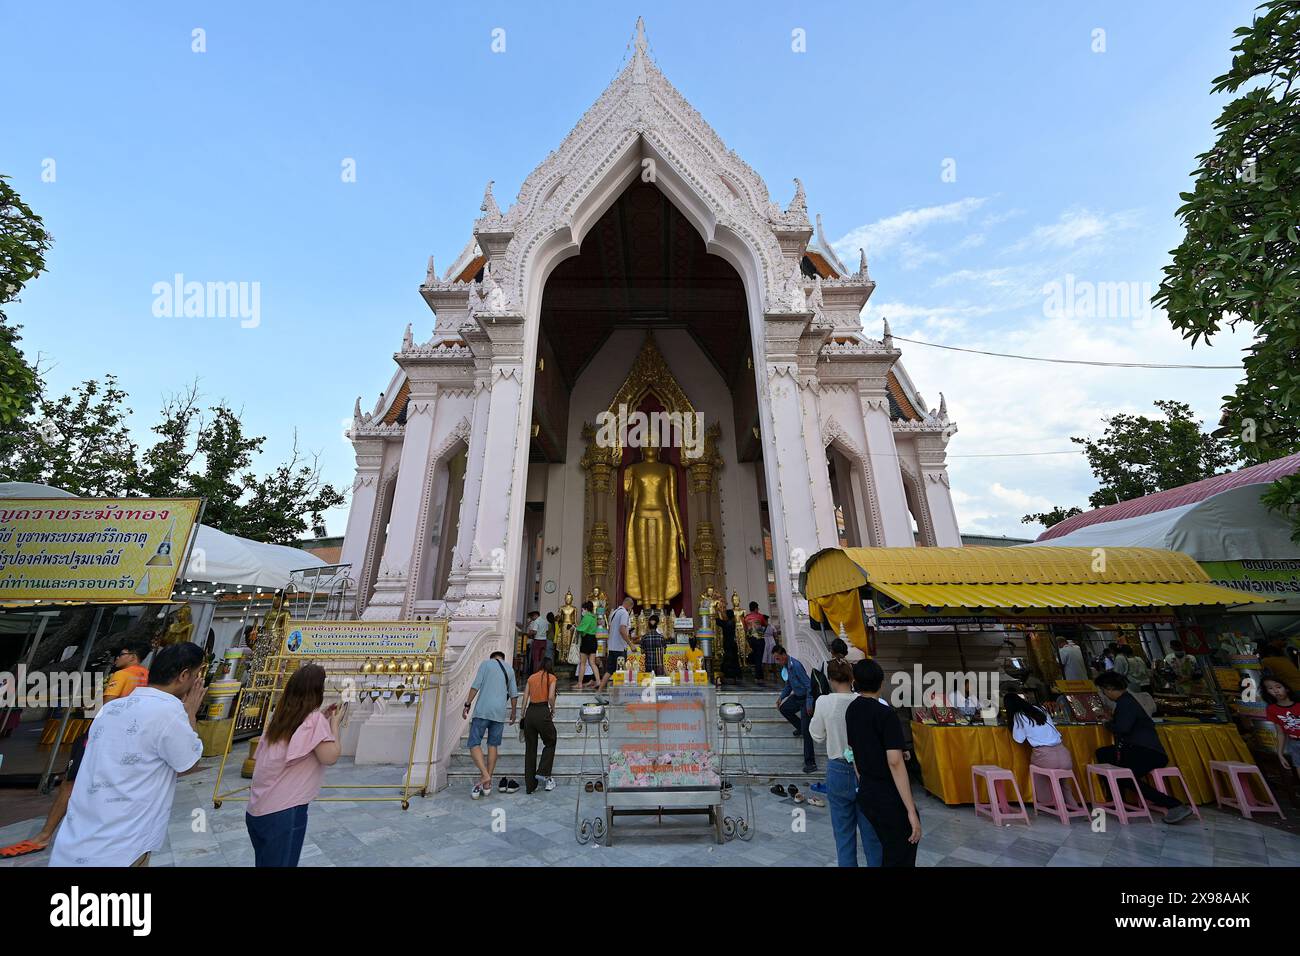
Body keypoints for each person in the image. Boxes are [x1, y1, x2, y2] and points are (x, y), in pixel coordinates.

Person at [49, 643, 206, 867]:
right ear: (183, 675)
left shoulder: (110, 709)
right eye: (198, 674)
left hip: (76, 841)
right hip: (123, 846)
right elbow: (189, 763)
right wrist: (190, 711)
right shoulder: (169, 713)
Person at [1, 641, 151, 860]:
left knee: (69, 786)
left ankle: (44, 835)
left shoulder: (122, 675)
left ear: (133, 656)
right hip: (128, 739)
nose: (117, 658)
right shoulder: (148, 677)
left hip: (101, 736)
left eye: (120, 654)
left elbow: (108, 706)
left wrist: (90, 706)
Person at [246, 663, 342, 866]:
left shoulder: (279, 719)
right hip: (284, 812)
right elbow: (330, 756)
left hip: (258, 811)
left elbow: (301, 736)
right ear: (317, 692)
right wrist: (333, 724)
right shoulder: (313, 720)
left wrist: (322, 717)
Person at [844, 658, 922, 867]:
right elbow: (895, 762)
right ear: (881, 682)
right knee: (902, 848)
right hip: (886, 792)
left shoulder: (852, 709)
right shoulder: (885, 714)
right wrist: (911, 811)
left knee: (890, 847)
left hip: (868, 790)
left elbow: (855, 751)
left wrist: (864, 783)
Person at [1092, 671, 1193, 823]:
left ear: (1109, 688)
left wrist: (1107, 724)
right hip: (1139, 750)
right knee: (1103, 754)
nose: (1104, 695)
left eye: (1103, 691)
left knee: (1123, 776)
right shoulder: (1126, 701)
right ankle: (1116, 798)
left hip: (1146, 752)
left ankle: (1175, 805)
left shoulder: (1126, 703)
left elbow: (1123, 728)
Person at [810, 659, 882, 867]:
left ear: (831, 680)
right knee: (871, 836)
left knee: (843, 836)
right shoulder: (864, 700)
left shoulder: (824, 702)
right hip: (866, 769)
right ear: (852, 678)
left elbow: (817, 735)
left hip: (838, 769)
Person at [462, 650, 519, 799]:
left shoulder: (486, 664)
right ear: (503, 659)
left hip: (482, 710)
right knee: (493, 745)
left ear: (492, 657)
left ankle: (485, 776)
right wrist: (513, 713)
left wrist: (467, 704)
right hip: (499, 712)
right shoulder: (509, 669)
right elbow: (514, 694)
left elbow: (476, 685)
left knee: (474, 743)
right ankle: (487, 783)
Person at [772, 645, 817, 775]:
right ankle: (800, 727)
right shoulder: (787, 667)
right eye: (776, 659)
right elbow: (789, 685)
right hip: (796, 697)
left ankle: (810, 763)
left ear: (784, 655)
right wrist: (781, 697)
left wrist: (809, 703)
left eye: (778, 658)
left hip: (805, 699)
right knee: (784, 708)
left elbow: (809, 685)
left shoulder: (796, 666)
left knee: (807, 733)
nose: (778, 661)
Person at [1004, 693, 1072, 771]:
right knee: (1062, 782)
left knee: (1039, 778)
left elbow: (1019, 739)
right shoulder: (1039, 709)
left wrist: (1012, 724)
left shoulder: (1019, 716)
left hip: (1045, 757)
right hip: (1064, 755)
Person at [522, 658, 559, 794]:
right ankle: (542, 771)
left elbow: (525, 698)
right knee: (551, 740)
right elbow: (550, 696)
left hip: (530, 713)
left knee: (530, 749)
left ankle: (530, 785)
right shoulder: (551, 677)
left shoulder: (531, 677)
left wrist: (522, 715)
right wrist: (553, 709)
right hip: (542, 711)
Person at [1263, 676, 1300, 782]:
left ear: (1286, 688)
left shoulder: (1298, 704)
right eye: (1270, 688)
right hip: (1294, 743)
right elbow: (1280, 733)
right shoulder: (1272, 709)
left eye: (1278, 687)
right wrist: (1280, 753)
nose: (1275, 691)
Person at [598, 596, 633, 693]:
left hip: (612, 647)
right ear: (629, 606)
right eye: (631, 608)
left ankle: (599, 692)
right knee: (621, 672)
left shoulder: (614, 613)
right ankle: (619, 694)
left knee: (609, 671)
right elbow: (622, 630)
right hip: (620, 648)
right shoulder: (624, 613)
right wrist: (630, 644)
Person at [574, 600, 601, 690]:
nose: (582, 612)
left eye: (582, 610)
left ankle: (580, 683)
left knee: (582, 664)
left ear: (585, 609)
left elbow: (582, 629)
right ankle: (598, 681)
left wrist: (575, 627)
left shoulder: (586, 617)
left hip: (586, 641)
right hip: (593, 640)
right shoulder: (594, 617)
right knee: (592, 663)